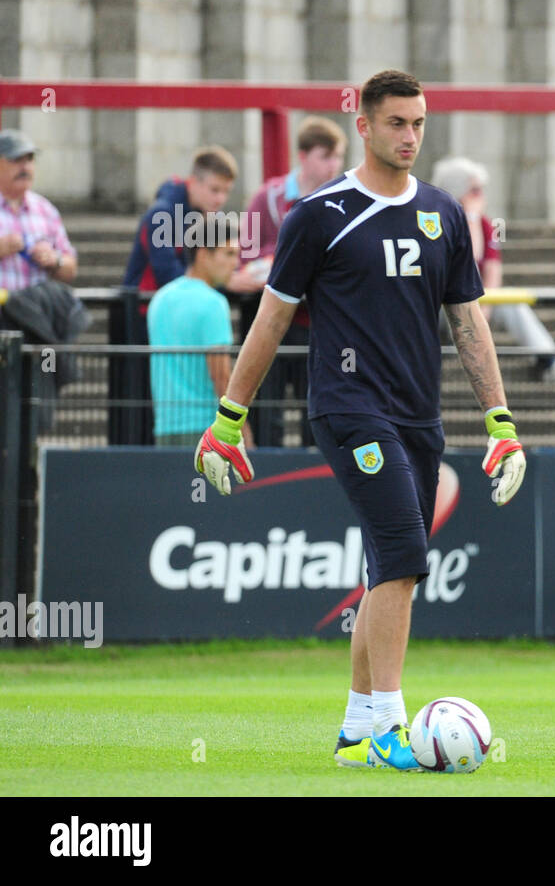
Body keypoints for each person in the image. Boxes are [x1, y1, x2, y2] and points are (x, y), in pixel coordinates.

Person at [193, 69, 525, 771]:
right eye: (397, 123)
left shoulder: (444, 214)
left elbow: (468, 324)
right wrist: (229, 420)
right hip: (348, 409)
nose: (410, 136)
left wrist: (501, 422)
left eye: (419, 123)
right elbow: (272, 318)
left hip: (419, 416)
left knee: (384, 568)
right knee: (405, 553)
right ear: (365, 126)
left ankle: (353, 730)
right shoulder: (320, 214)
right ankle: (388, 728)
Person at [232, 117, 347, 446]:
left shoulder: (344, 200)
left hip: (321, 327)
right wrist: (269, 265)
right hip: (270, 323)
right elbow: (245, 257)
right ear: (303, 155)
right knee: (267, 414)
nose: (334, 164)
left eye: (338, 156)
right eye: (326, 156)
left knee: (319, 415)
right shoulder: (265, 198)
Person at [432, 156, 555, 385]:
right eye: (475, 190)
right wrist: (469, 217)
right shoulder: (436, 221)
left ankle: (550, 361)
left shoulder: (485, 224)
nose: (481, 197)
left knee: (513, 303)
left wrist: (484, 309)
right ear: (456, 191)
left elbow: (492, 271)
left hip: (473, 301)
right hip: (440, 304)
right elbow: (466, 263)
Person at [147, 239, 242, 446]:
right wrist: (243, 432)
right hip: (208, 431)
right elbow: (221, 377)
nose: (236, 263)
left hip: (164, 429)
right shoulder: (214, 303)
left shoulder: (160, 299)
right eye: (228, 254)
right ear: (202, 255)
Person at [123, 146, 239, 292]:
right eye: (214, 190)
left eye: (226, 191)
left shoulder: (211, 216)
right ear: (193, 182)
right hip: (145, 308)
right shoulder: (161, 215)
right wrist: (226, 282)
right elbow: (168, 276)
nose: (221, 199)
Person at [0, 129, 79, 290]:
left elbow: (71, 269)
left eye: (29, 159)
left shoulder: (46, 210)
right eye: (16, 159)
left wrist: (55, 260)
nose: (25, 167)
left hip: (37, 309)